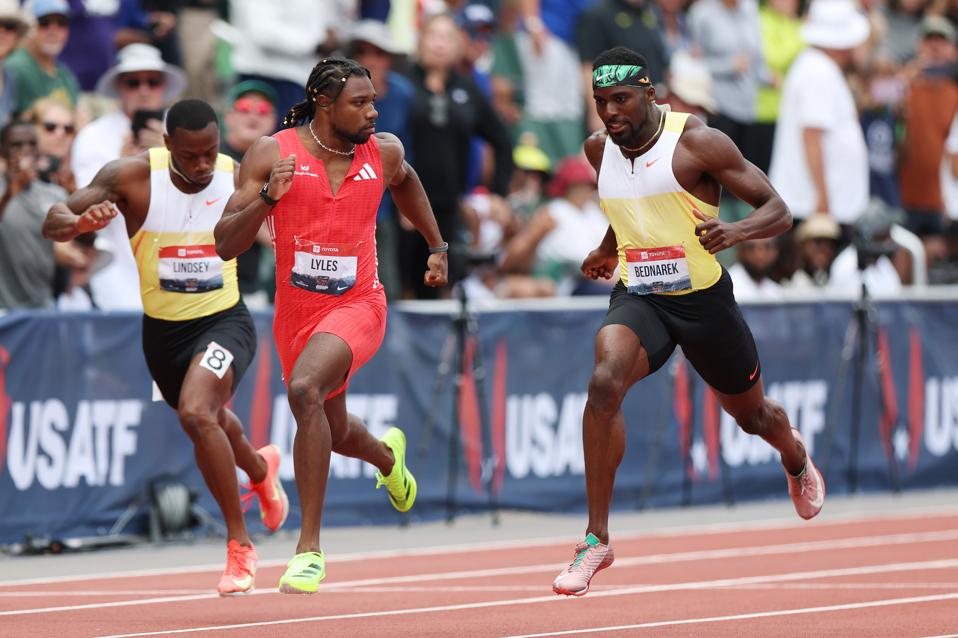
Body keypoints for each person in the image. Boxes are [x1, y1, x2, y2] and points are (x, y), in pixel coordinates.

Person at [552, 47, 825, 598]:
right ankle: (595, 539)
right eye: (601, 102)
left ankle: (794, 456)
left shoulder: (697, 142)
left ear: (651, 93)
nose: (610, 113)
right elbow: (626, 205)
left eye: (621, 100)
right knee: (604, 383)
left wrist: (736, 233)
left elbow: (778, 208)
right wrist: (609, 247)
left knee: (755, 419)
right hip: (641, 296)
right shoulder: (598, 150)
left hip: (703, 303)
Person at [214, 57, 448, 594]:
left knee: (304, 389)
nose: (373, 111)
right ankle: (389, 460)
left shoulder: (383, 150)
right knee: (334, 429)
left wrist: (436, 246)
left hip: (361, 303)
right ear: (324, 103)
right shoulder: (273, 153)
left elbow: (407, 182)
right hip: (296, 313)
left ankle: (309, 548)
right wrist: (269, 199)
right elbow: (225, 243)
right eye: (359, 103)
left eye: (373, 101)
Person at [41, 99, 288, 596]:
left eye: (210, 152)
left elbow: (271, 231)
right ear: (168, 145)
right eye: (191, 155)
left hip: (224, 320)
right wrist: (78, 226)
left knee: (197, 413)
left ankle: (240, 546)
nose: (202, 166)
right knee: (211, 419)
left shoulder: (232, 174)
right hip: (162, 332)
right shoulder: (130, 177)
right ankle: (260, 469)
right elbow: (54, 219)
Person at [72, 42, 187, 311]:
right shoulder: (93, 137)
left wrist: (170, 156)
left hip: (180, 262)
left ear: (163, 87)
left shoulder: (186, 131)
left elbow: (208, 196)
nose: (144, 90)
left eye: (152, 81)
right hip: (119, 266)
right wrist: (122, 166)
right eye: (133, 82)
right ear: (120, 88)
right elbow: (86, 208)